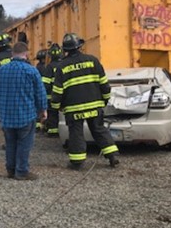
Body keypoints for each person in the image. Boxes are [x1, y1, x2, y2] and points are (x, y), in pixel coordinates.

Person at [50, 33, 120, 169]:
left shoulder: (62, 67)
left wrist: (56, 106)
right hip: (95, 105)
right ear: (79, 46)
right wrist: (105, 100)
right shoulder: (92, 60)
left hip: (74, 108)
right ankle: (112, 156)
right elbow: (104, 84)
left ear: (65, 50)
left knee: (76, 133)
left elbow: (58, 91)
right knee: (99, 130)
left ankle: (77, 162)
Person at [0, 41, 47, 180]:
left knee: (10, 143)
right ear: (26, 53)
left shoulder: (1, 70)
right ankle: (22, 171)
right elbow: (40, 93)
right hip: (25, 113)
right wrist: (43, 110)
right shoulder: (31, 70)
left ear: (12, 53)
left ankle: (11, 170)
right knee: (24, 144)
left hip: (6, 115)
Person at [39, 43, 63, 138]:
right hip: (63, 95)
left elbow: (46, 83)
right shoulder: (63, 64)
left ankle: (53, 131)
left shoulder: (49, 67)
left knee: (52, 113)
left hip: (51, 95)